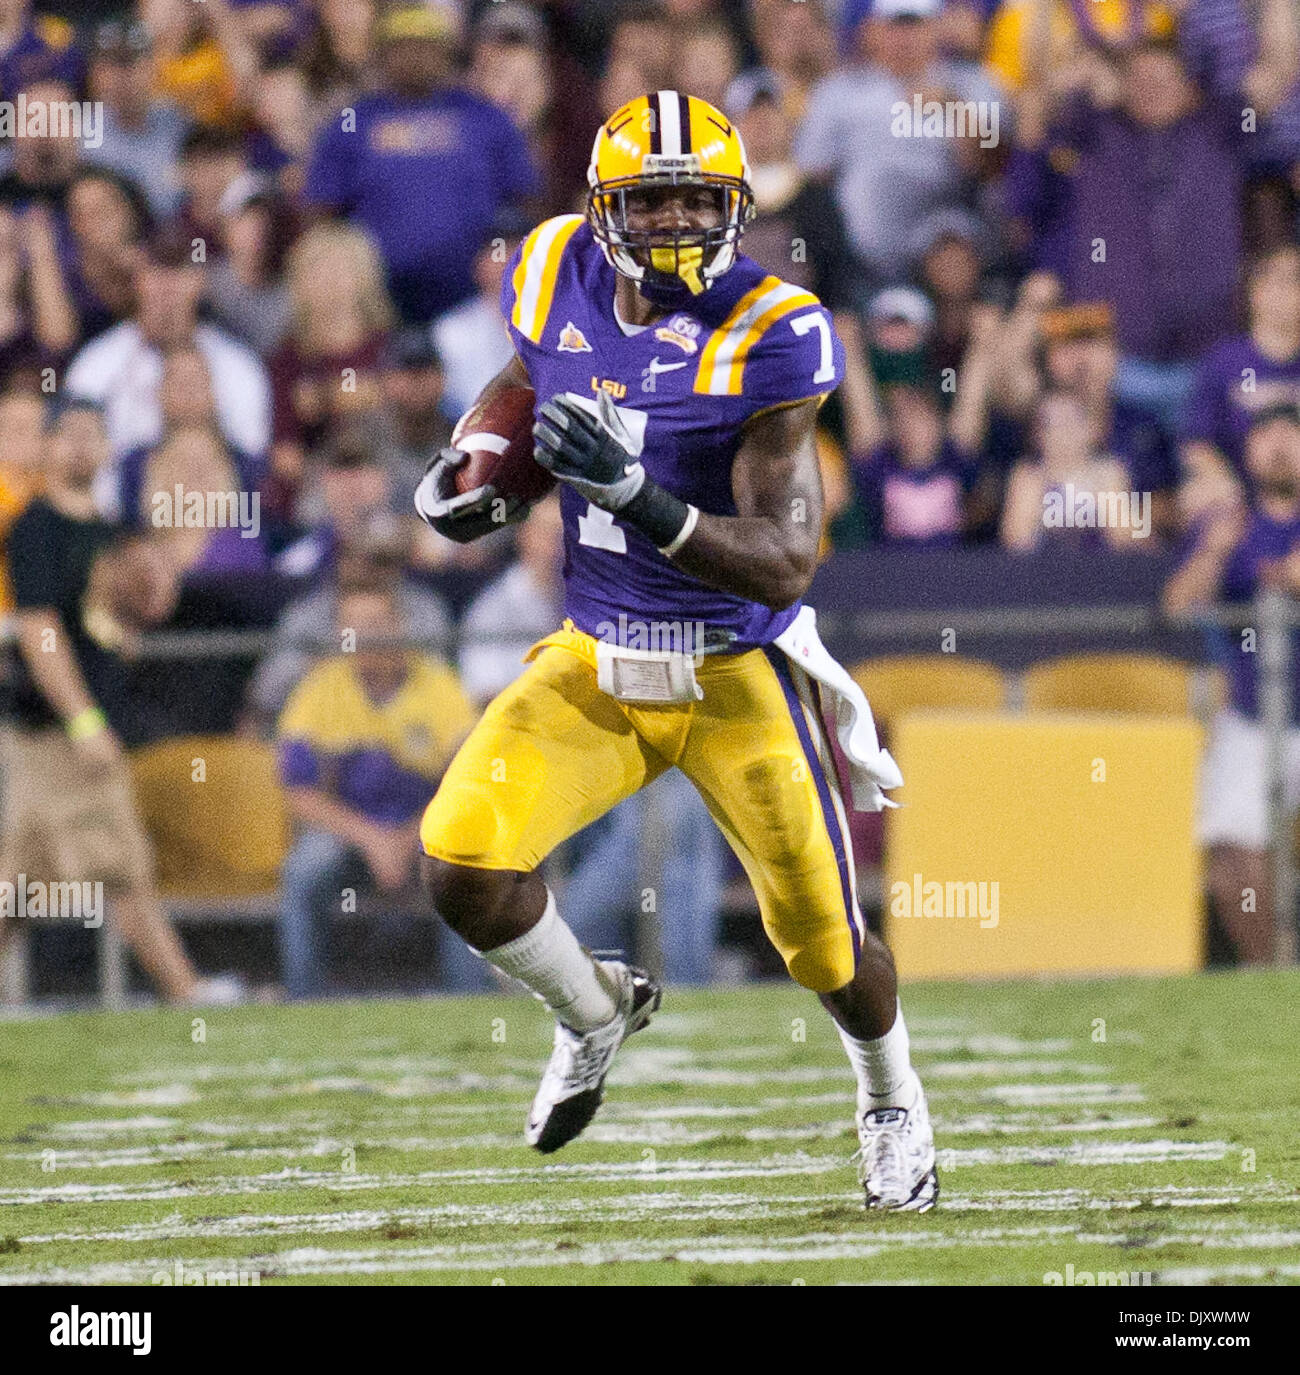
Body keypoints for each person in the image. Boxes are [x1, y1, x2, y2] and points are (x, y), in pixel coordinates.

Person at [414, 91, 934, 1212]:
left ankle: (890, 1095)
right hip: (595, 658)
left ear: (737, 206)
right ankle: (593, 1009)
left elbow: (787, 560)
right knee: (461, 863)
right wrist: (476, 459)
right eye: (653, 203)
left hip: (729, 671)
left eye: (700, 200)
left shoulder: (776, 329)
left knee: (827, 949)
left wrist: (640, 499)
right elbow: (527, 376)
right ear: (605, 211)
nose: (678, 225)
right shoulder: (552, 264)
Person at [0, 397, 238, 1005]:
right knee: (123, 869)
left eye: (92, 435)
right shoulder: (35, 527)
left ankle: (186, 990)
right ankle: (186, 992)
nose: (81, 446)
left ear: (108, 449)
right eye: (69, 435)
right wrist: (84, 720)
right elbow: (39, 630)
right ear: (48, 448)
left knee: (20, 887)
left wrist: (149, 594)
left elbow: (110, 623)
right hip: (51, 727)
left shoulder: (109, 530)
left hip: (62, 730)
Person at [276, 583, 481, 998]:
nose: (363, 635)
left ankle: (471, 999)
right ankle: (303, 1004)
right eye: (350, 625)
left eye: (374, 623)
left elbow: (469, 784)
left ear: (398, 626)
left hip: (427, 831)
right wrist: (372, 840)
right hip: (347, 836)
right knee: (302, 870)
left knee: (466, 867)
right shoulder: (320, 688)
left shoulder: (439, 684)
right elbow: (298, 793)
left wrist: (405, 839)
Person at [1163, 403, 1300, 964]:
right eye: (1264, 434)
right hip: (1252, 715)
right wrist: (1218, 550)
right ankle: (1272, 975)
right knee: (1231, 856)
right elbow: (1176, 607)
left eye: (1290, 433)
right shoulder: (1228, 525)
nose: (1277, 446)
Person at [303, 1, 539, 324]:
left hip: (473, 298)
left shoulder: (484, 116)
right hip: (379, 305)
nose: (414, 57)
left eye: (425, 47)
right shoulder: (353, 120)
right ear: (382, 55)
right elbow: (321, 211)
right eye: (402, 47)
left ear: (445, 53)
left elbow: (525, 201)